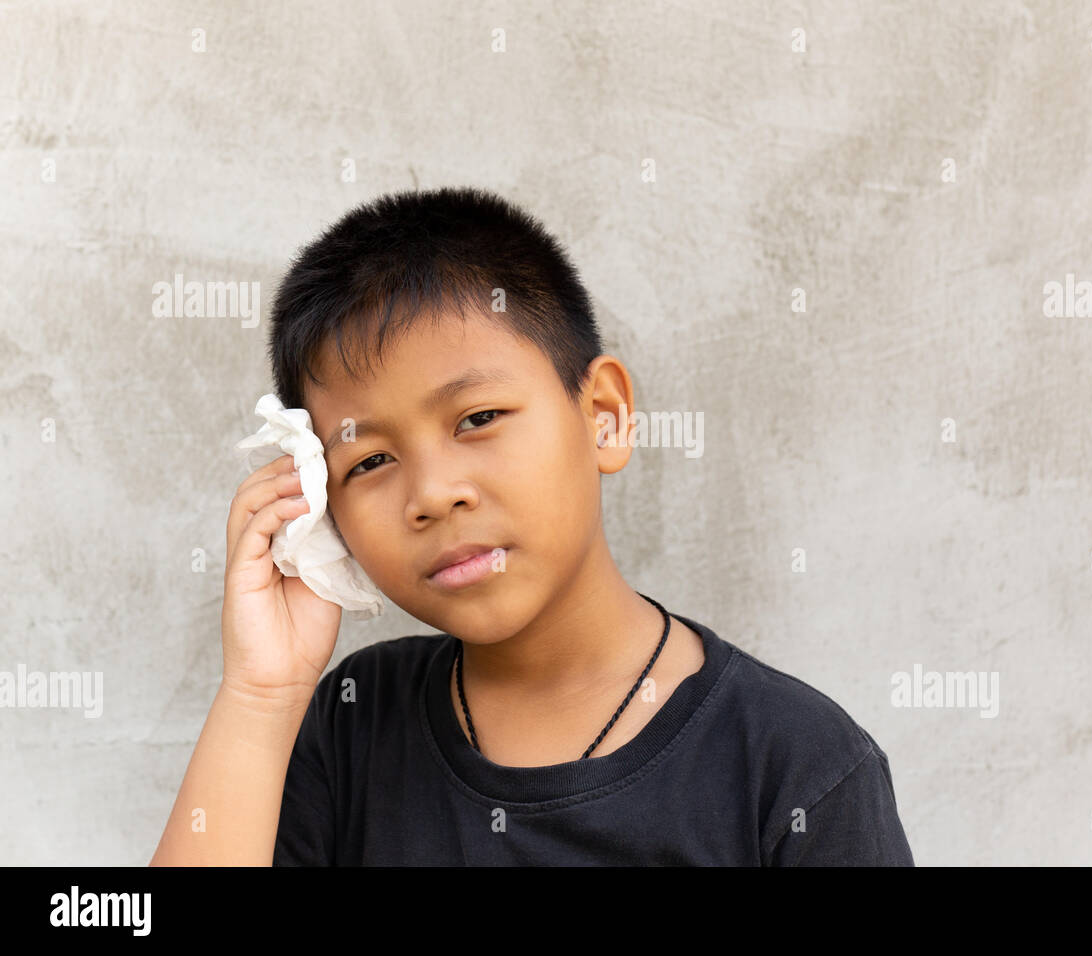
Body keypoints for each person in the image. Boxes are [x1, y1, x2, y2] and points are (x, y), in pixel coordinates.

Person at [150, 187, 914, 866]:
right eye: (370, 462)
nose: (434, 494)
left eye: (478, 418)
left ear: (603, 417)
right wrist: (262, 694)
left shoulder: (795, 765)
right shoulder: (354, 728)